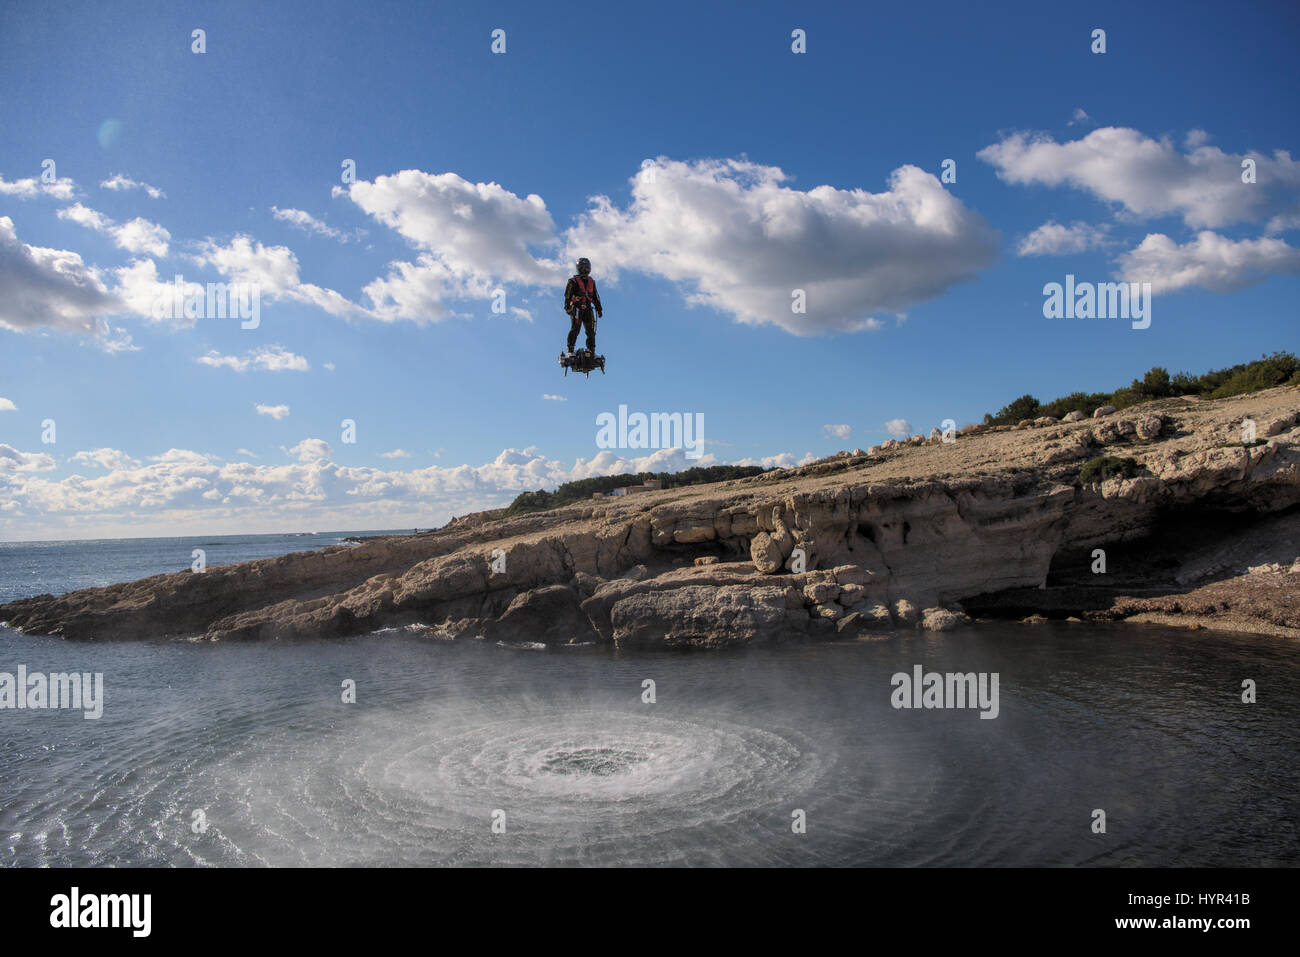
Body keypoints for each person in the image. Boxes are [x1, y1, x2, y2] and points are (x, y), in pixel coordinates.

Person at [564, 257, 602, 356]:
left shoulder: (591, 282)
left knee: (591, 331)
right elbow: (567, 295)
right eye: (583, 267)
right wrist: (567, 306)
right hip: (577, 307)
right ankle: (570, 349)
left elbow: (595, 296)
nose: (585, 269)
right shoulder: (573, 281)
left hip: (588, 309)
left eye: (587, 267)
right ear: (579, 268)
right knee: (575, 329)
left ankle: (591, 350)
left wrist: (599, 309)